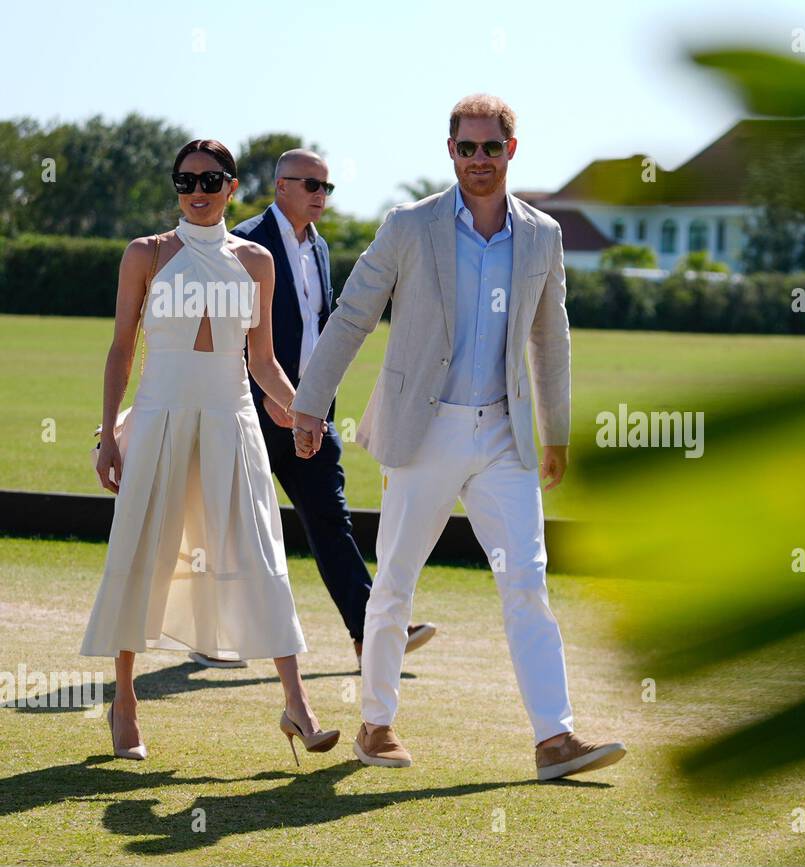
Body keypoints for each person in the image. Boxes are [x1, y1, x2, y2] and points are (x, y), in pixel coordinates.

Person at [291, 94, 625, 780]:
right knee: (396, 585)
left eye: (491, 148)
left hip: (504, 436)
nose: (479, 159)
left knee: (527, 582)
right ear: (450, 151)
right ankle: (376, 724)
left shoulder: (543, 235)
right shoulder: (408, 226)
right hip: (425, 431)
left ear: (511, 150)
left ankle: (554, 739)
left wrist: (555, 433)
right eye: (467, 147)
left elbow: (550, 340)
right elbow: (353, 315)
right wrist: (309, 405)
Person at [82, 139, 339, 765]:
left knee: (261, 550)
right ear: (176, 186)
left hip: (233, 419)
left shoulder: (255, 262)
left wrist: (301, 414)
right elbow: (121, 349)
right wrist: (108, 433)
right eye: (186, 179)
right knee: (141, 550)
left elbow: (263, 361)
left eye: (211, 179)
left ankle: (297, 706)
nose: (198, 191)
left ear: (232, 186)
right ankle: (124, 702)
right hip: (161, 416)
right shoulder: (145, 254)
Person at [180, 148, 432, 672]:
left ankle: (370, 634)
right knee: (231, 523)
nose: (321, 196)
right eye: (311, 185)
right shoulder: (245, 242)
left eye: (327, 188)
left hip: (307, 413)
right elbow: (226, 333)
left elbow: (321, 331)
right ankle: (208, 634)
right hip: (248, 409)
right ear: (281, 187)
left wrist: (308, 406)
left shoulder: (318, 248)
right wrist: (271, 397)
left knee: (329, 516)